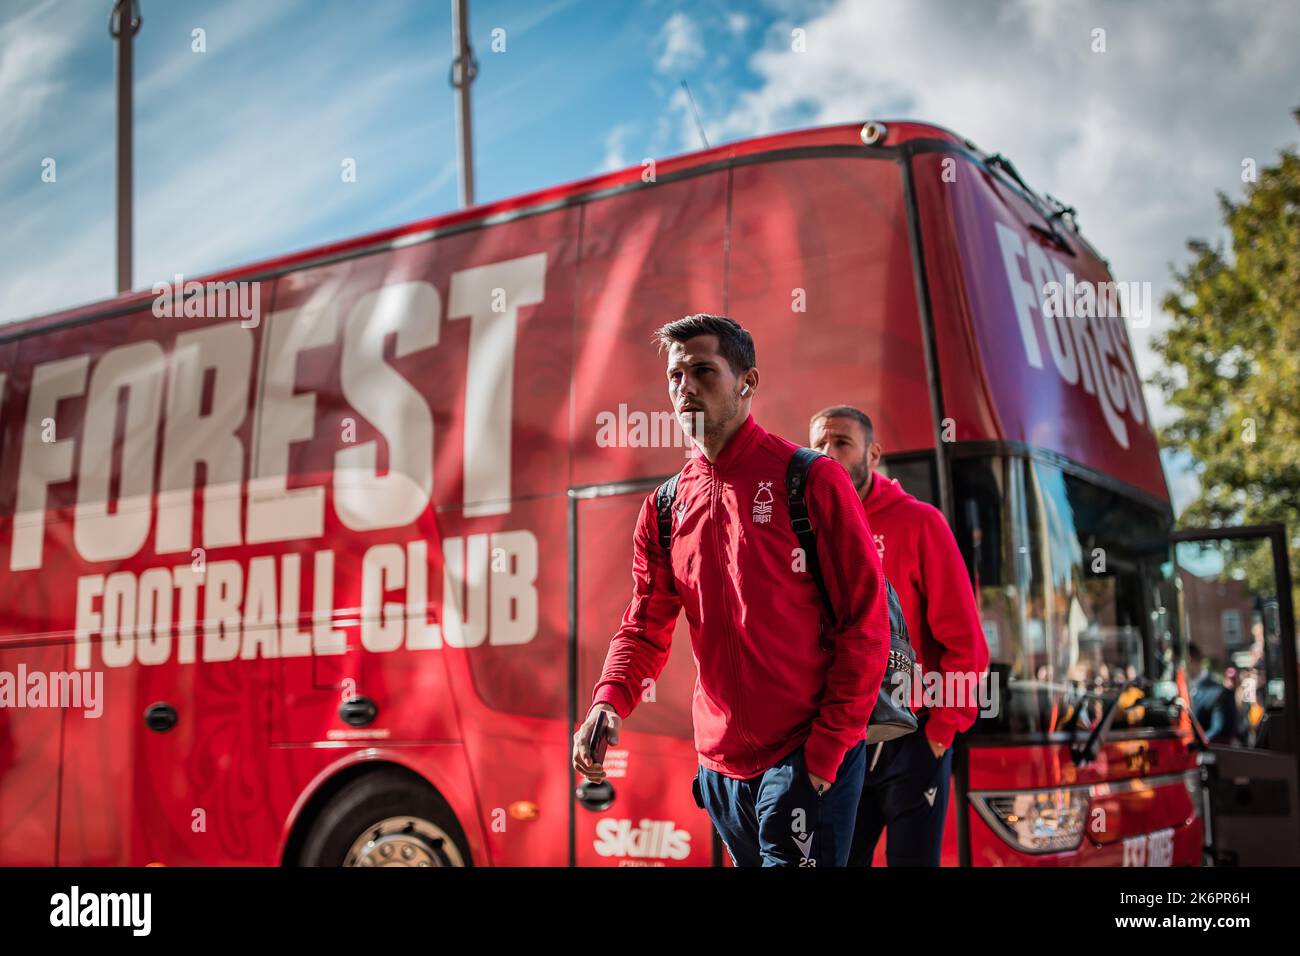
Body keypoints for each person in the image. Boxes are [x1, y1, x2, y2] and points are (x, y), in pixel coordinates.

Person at [572, 315, 891, 867]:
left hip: (804, 755)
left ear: (748, 381)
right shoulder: (666, 506)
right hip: (720, 772)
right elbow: (644, 625)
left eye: (703, 371)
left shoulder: (810, 478)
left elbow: (864, 623)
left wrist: (825, 752)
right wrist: (608, 700)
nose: (685, 387)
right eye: (675, 375)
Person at [810, 405, 989, 866]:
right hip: (839, 741)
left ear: (873, 454)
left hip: (914, 739)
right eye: (818, 445)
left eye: (841, 443)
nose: (827, 454)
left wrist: (941, 730)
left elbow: (966, 642)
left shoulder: (920, 522)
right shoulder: (808, 528)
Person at [1188, 643, 1238, 745]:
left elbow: (1218, 729)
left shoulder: (1219, 692)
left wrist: (1196, 744)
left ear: (1190, 659)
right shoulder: (1182, 689)